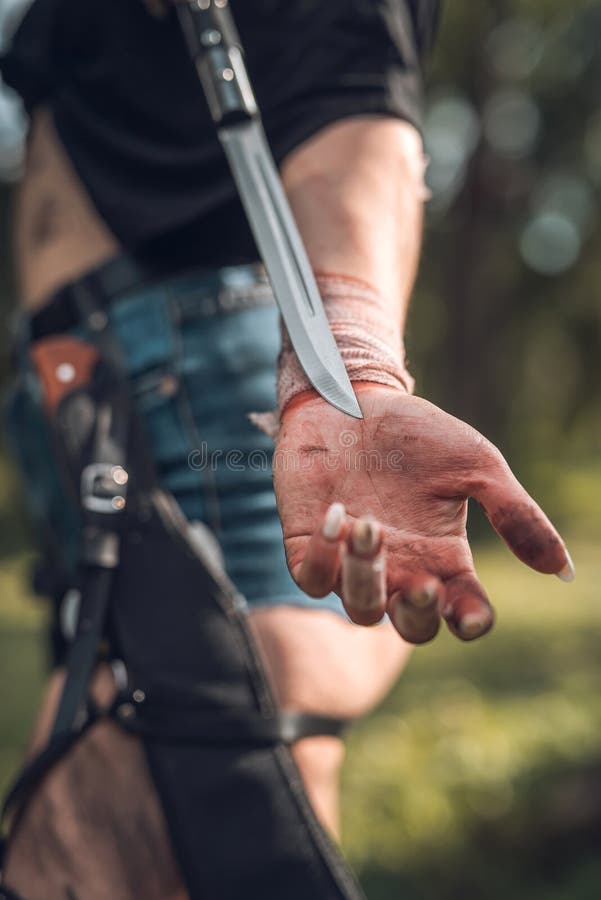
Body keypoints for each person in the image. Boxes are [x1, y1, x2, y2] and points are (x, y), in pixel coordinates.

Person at [0, 1, 574, 897]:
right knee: (98, 815)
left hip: (195, 357)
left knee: (229, 786)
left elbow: (355, 87)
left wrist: (344, 368)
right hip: (98, 374)